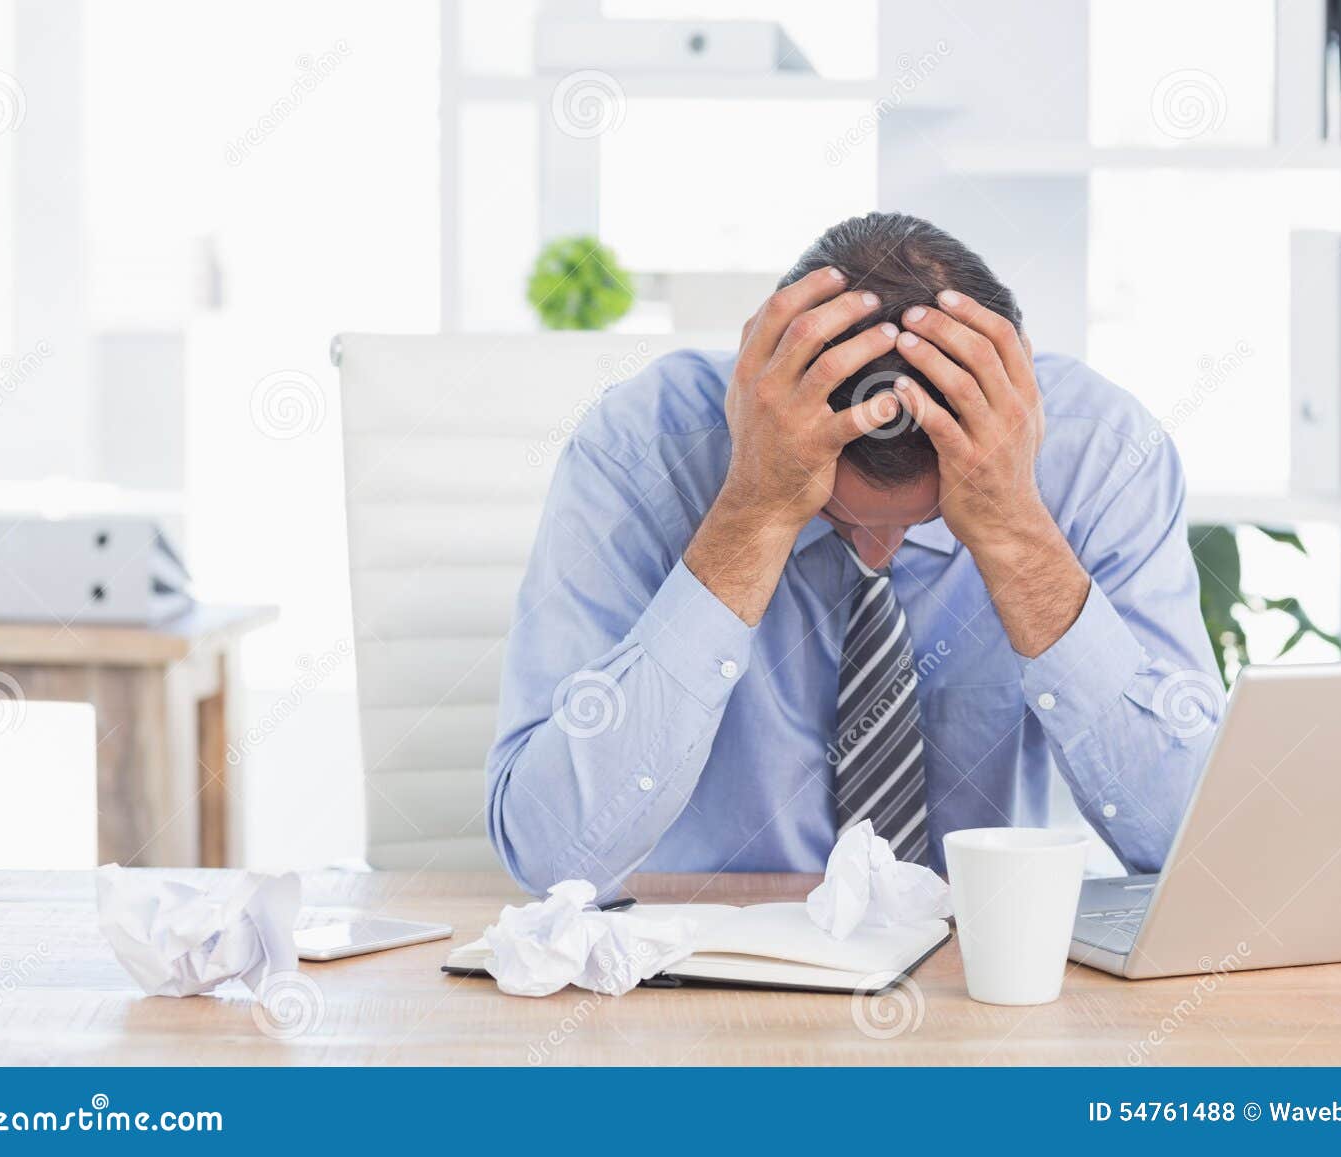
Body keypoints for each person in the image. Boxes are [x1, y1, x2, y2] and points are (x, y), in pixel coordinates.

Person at [486, 211, 1218, 897]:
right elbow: (552, 859)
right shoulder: (638, 449)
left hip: (984, 971)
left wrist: (1014, 531)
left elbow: (1201, 853)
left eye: (927, 518)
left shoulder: (1105, 459)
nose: (880, 552)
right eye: (840, 514)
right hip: (708, 958)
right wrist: (755, 510)